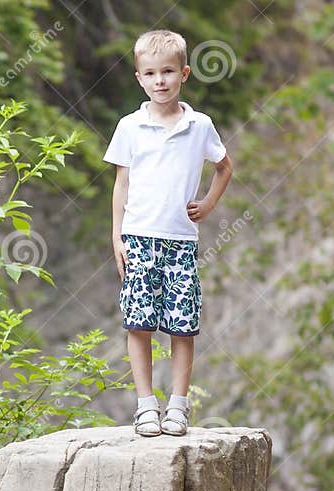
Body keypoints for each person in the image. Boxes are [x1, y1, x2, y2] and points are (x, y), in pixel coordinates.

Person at [102, 29, 233, 437]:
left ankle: (178, 405)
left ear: (184, 74)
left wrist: (208, 204)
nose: (160, 81)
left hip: (181, 240)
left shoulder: (199, 125)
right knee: (137, 323)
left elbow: (224, 167)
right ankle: (145, 406)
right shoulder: (130, 126)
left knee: (182, 324)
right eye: (151, 73)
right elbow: (121, 184)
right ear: (139, 78)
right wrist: (117, 235)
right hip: (138, 238)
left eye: (168, 72)